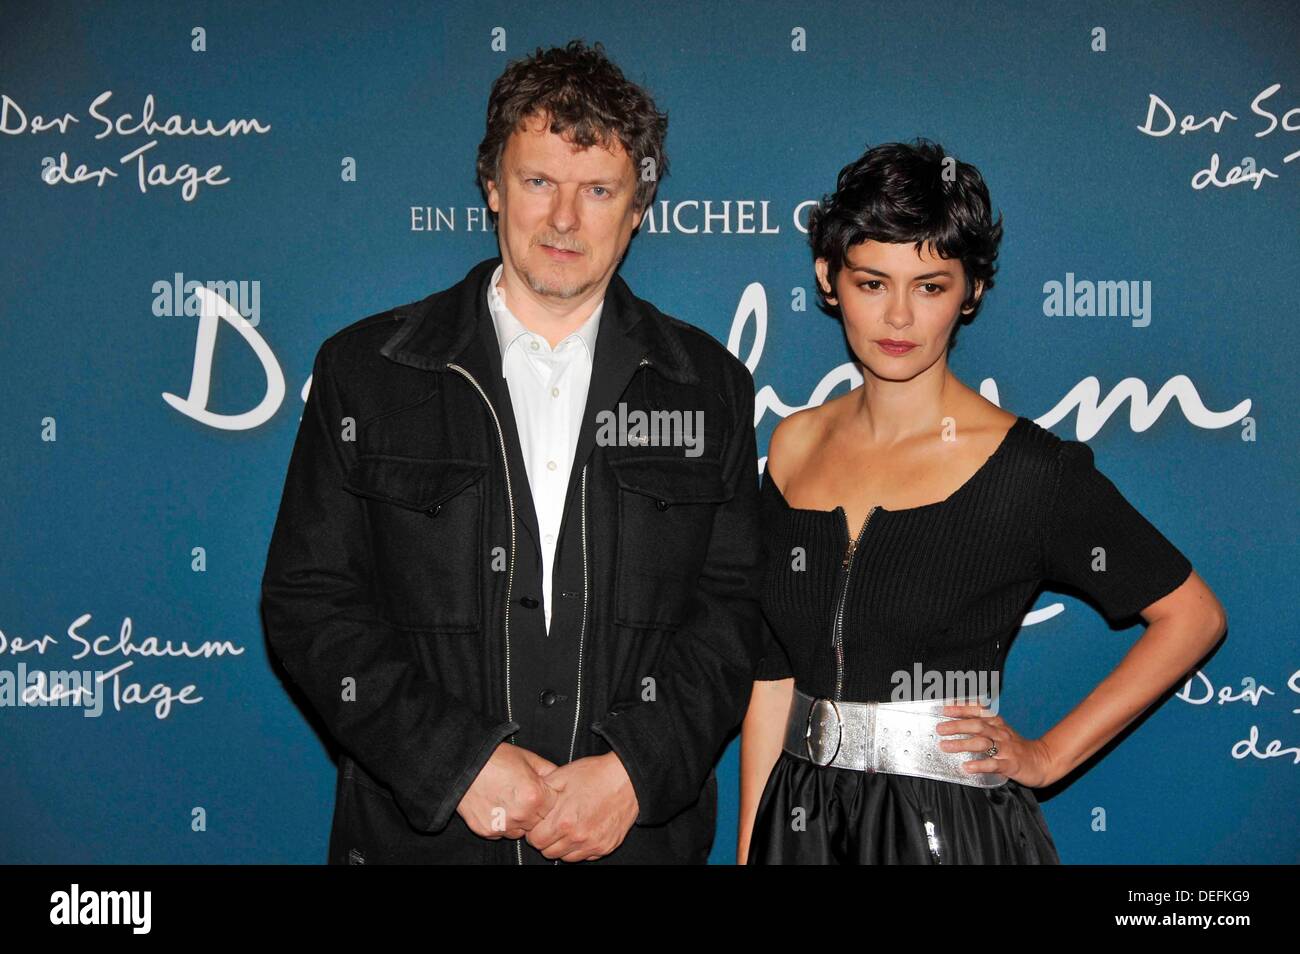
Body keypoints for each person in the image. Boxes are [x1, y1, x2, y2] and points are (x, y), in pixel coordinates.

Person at [260, 39, 763, 864]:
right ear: (492, 185)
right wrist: (450, 763)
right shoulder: (368, 373)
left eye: (597, 190)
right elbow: (309, 600)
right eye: (538, 182)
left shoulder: (708, 387)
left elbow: (734, 611)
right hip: (421, 848)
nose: (564, 219)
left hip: (634, 847)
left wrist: (637, 772)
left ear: (638, 207)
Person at [736, 139, 1228, 865]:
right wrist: (754, 851)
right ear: (827, 278)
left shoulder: (1028, 469)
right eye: (873, 282)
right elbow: (774, 674)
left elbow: (1193, 616)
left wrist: (1048, 756)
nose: (898, 316)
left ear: (970, 293)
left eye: (930, 286)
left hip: (946, 829)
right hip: (800, 820)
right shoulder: (793, 446)